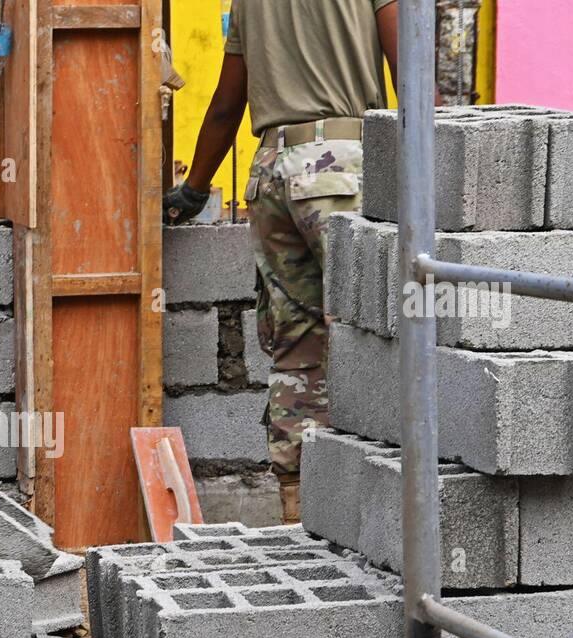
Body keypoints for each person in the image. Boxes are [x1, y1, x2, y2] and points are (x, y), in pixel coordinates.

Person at [164, 0, 399, 523]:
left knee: (299, 343)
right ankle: (384, 511)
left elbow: (228, 102)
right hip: (343, 165)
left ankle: (298, 509)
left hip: (271, 173)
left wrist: (195, 188)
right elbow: (412, 73)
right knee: (382, 329)